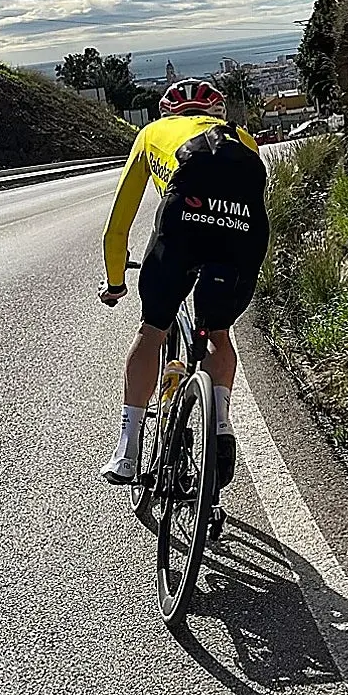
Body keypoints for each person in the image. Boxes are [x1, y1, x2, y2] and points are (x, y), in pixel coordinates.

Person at [98, 78, 270, 508]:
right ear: (217, 113)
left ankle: (128, 449)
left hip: (183, 229)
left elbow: (117, 228)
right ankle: (220, 422)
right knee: (218, 332)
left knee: (153, 329)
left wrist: (116, 283)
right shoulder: (241, 139)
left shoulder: (151, 134)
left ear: (166, 113)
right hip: (241, 234)